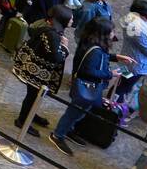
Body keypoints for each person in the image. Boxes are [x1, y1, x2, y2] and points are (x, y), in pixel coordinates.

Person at [49, 18, 133, 157]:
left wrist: (116, 57)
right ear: (103, 33)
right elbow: (89, 71)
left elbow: (100, 57)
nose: (113, 34)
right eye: (111, 31)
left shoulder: (91, 43)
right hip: (87, 87)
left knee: (80, 112)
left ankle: (68, 130)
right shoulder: (96, 51)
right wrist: (109, 74)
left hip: (89, 87)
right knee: (73, 113)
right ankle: (58, 135)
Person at [11, 3, 72, 136]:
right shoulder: (52, 35)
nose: (72, 21)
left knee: (33, 95)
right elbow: (55, 56)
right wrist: (65, 48)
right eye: (70, 18)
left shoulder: (46, 27)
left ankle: (31, 114)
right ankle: (22, 120)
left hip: (34, 66)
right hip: (37, 71)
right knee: (32, 96)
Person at [114, 0, 147, 108]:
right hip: (135, 66)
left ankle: (114, 99)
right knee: (125, 86)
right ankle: (116, 109)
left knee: (123, 82)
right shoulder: (138, 30)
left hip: (126, 61)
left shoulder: (132, 19)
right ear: (141, 14)